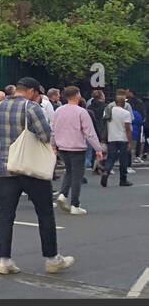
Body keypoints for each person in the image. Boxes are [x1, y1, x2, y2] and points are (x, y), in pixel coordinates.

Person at [0, 76, 73, 276]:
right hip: (30, 168)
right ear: (32, 91)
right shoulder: (31, 108)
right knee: (44, 214)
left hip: (5, 170)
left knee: (5, 215)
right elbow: (45, 135)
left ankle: (4, 260)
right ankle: (52, 259)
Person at [53, 86, 102, 216]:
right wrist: (98, 148)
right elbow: (89, 132)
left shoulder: (58, 110)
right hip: (77, 147)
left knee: (69, 171)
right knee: (77, 176)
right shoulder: (81, 112)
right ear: (77, 95)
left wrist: (54, 145)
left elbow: (54, 129)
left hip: (62, 147)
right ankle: (75, 204)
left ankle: (63, 194)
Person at [103, 93, 134, 187]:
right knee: (123, 159)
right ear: (124, 103)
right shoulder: (126, 113)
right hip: (123, 138)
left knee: (111, 157)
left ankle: (106, 171)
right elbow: (128, 128)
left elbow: (105, 122)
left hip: (112, 137)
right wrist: (130, 142)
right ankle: (123, 179)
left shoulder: (110, 111)